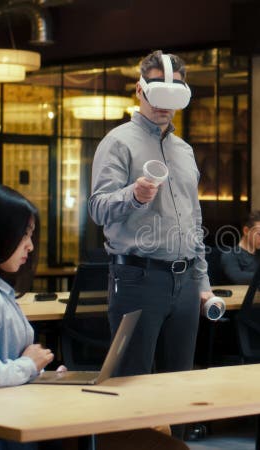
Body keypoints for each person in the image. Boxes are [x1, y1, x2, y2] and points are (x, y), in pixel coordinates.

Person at [0, 185, 186, 450]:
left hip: (26, 411)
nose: (30, 246)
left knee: (157, 428)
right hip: (16, 425)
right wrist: (28, 366)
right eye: (24, 235)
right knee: (159, 439)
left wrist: (40, 376)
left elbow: (1, 365)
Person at [88, 50, 213, 379]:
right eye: (157, 90)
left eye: (172, 93)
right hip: (137, 279)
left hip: (186, 280)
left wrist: (203, 282)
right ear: (139, 89)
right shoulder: (117, 143)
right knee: (133, 381)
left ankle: (176, 435)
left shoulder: (184, 151)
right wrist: (134, 195)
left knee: (179, 380)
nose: (163, 103)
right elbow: (98, 208)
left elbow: (193, 222)